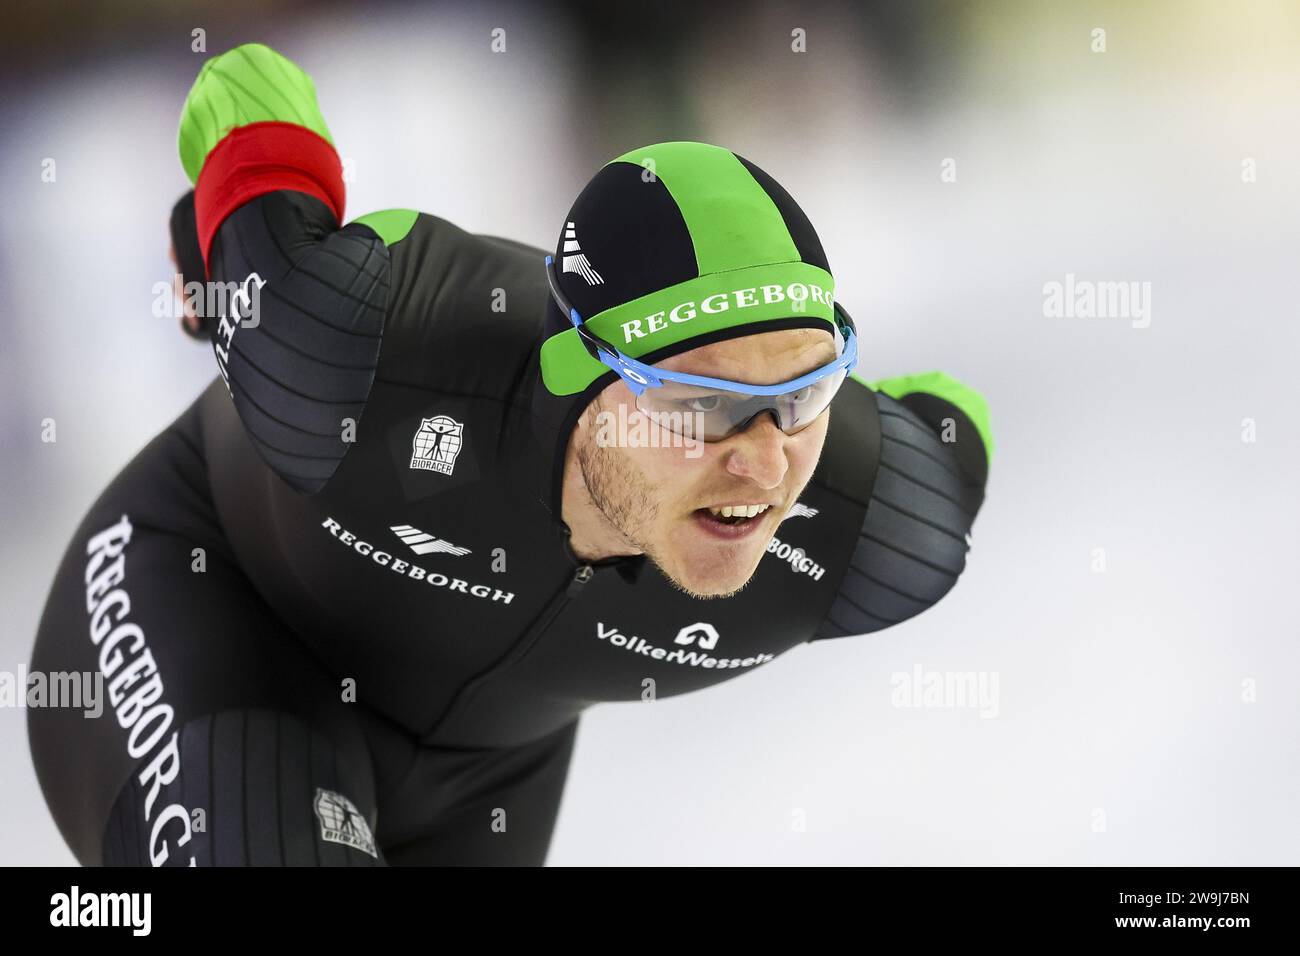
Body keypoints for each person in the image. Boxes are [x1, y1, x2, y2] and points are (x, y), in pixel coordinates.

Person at [27, 43, 993, 866]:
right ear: (578, 376)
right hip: (218, 618)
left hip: (479, 783)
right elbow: (247, 81)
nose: (767, 465)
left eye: (805, 394)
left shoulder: (871, 524)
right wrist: (227, 267)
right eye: (701, 407)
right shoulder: (352, 363)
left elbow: (950, 424)